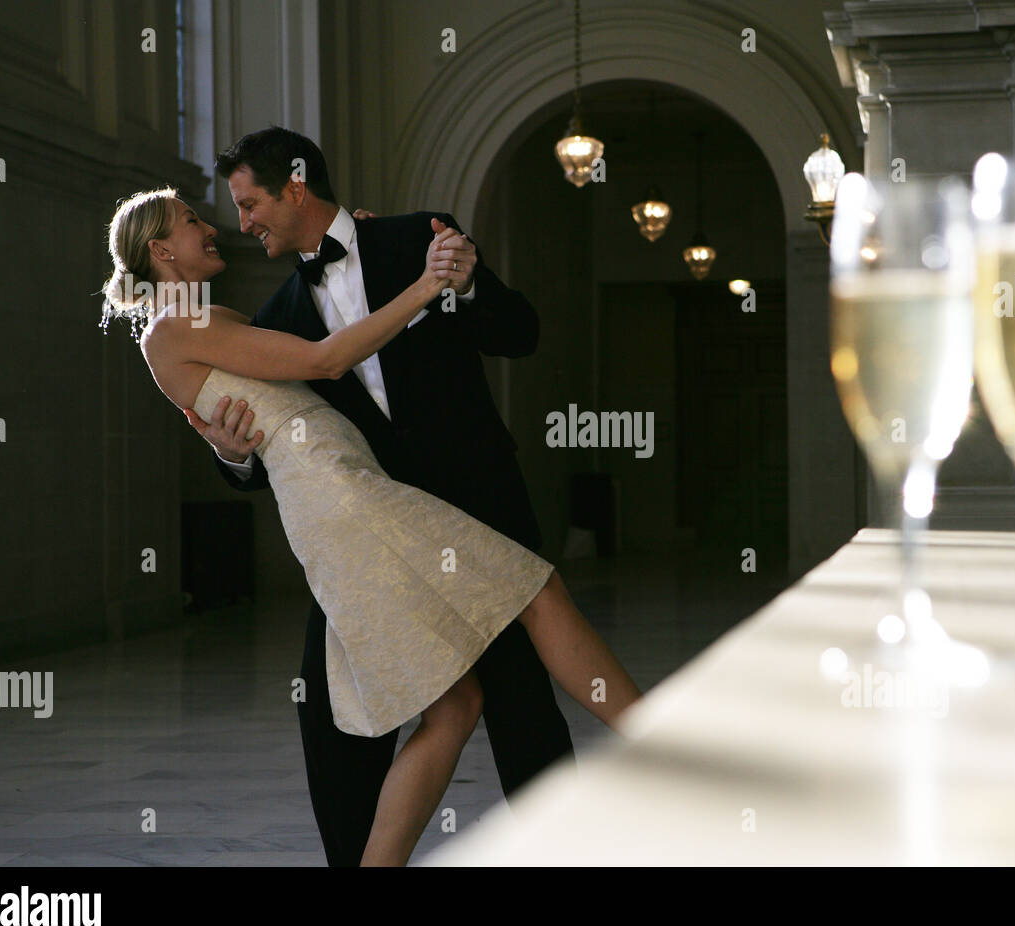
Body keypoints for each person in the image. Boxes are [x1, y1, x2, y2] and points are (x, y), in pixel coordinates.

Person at [102, 186, 642, 865]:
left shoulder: (208, 319)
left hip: (348, 498)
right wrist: (426, 285)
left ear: (296, 191)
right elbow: (324, 360)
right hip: (345, 500)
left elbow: (281, 378)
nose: (218, 227)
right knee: (536, 591)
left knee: (456, 705)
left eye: (243, 204)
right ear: (159, 250)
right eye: (193, 221)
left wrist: (367, 248)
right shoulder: (174, 328)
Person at [194, 126, 578, 868]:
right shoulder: (275, 320)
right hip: (370, 540)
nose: (244, 223)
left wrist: (464, 285)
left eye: (249, 203)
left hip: (480, 511)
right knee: (331, 711)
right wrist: (229, 454)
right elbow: (258, 449)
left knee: (520, 701)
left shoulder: (421, 239)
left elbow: (521, 332)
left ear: (294, 186)